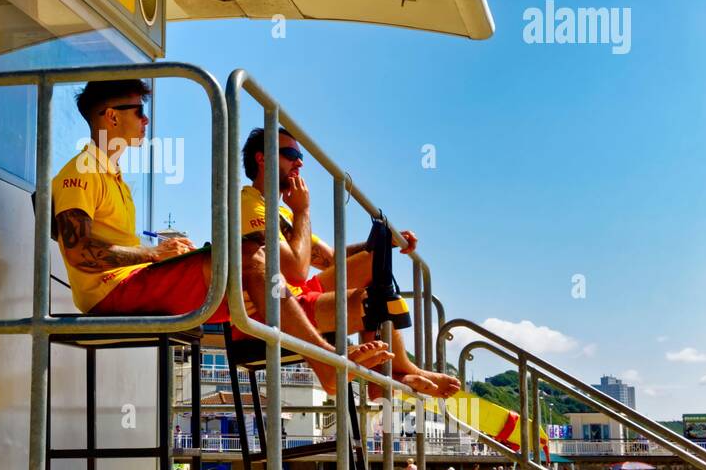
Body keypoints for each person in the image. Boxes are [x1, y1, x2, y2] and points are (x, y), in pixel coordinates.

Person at [52, 80, 395, 377]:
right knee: (249, 258)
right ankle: (327, 365)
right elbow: (80, 253)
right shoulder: (81, 172)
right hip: (111, 294)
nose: (146, 119)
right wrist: (154, 253)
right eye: (139, 111)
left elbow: (321, 259)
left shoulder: (111, 175)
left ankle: (353, 365)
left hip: (133, 284)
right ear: (112, 116)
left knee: (254, 277)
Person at [235, 126, 461, 399]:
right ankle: (395, 371)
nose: (300, 162)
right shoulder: (249, 203)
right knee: (369, 301)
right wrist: (303, 211)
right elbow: (295, 270)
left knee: (374, 262)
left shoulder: (281, 210)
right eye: (290, 154)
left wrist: (383, 242)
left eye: (301, 154)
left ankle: (392, 370)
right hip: (275, 305)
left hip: (297, 296)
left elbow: (331, 259)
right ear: (262, 159)